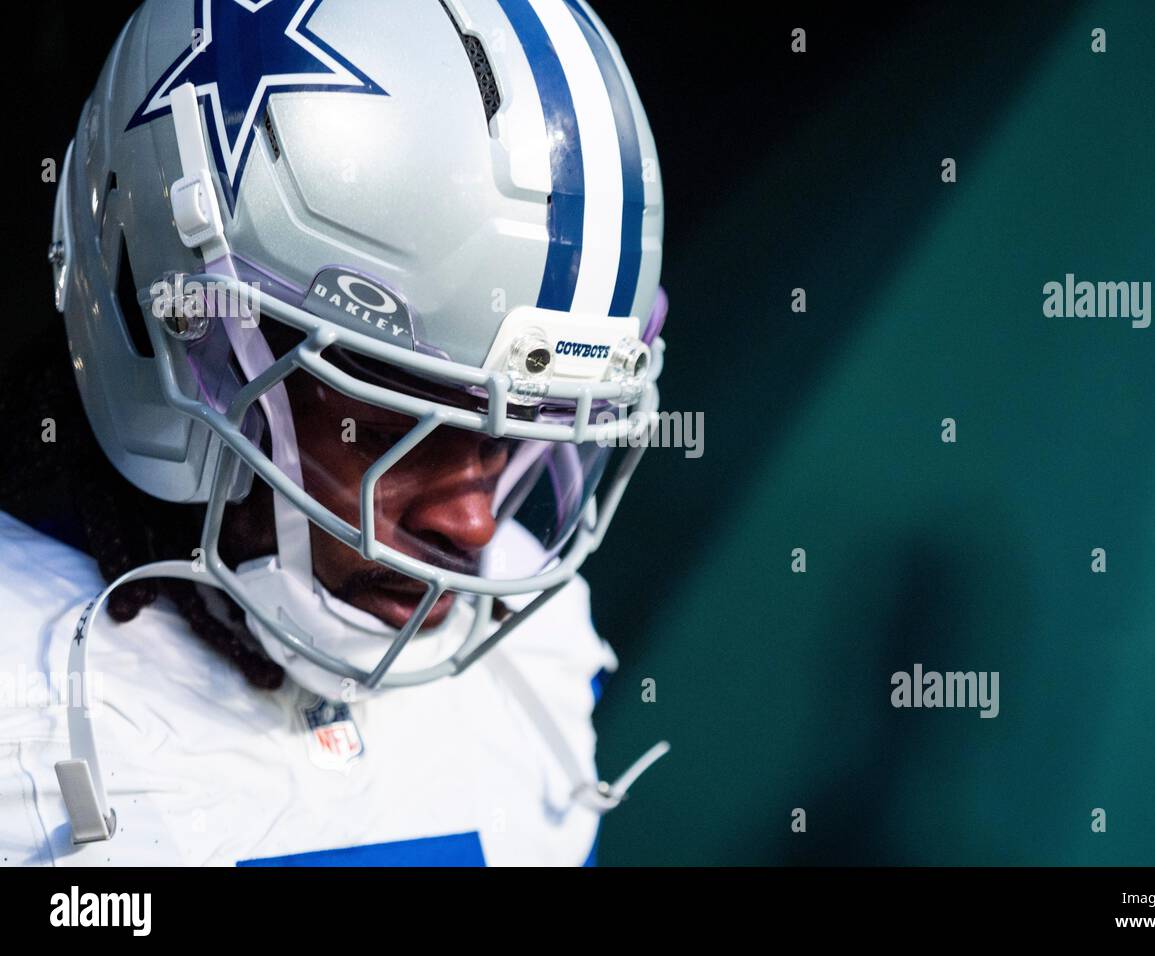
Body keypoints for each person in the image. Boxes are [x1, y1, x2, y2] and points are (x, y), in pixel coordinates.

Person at [0, 0, 668, 866]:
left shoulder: (534, 658)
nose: (473, 528)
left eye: (507, 435)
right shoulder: (26, 682)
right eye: (397, 425)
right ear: (172, 328)